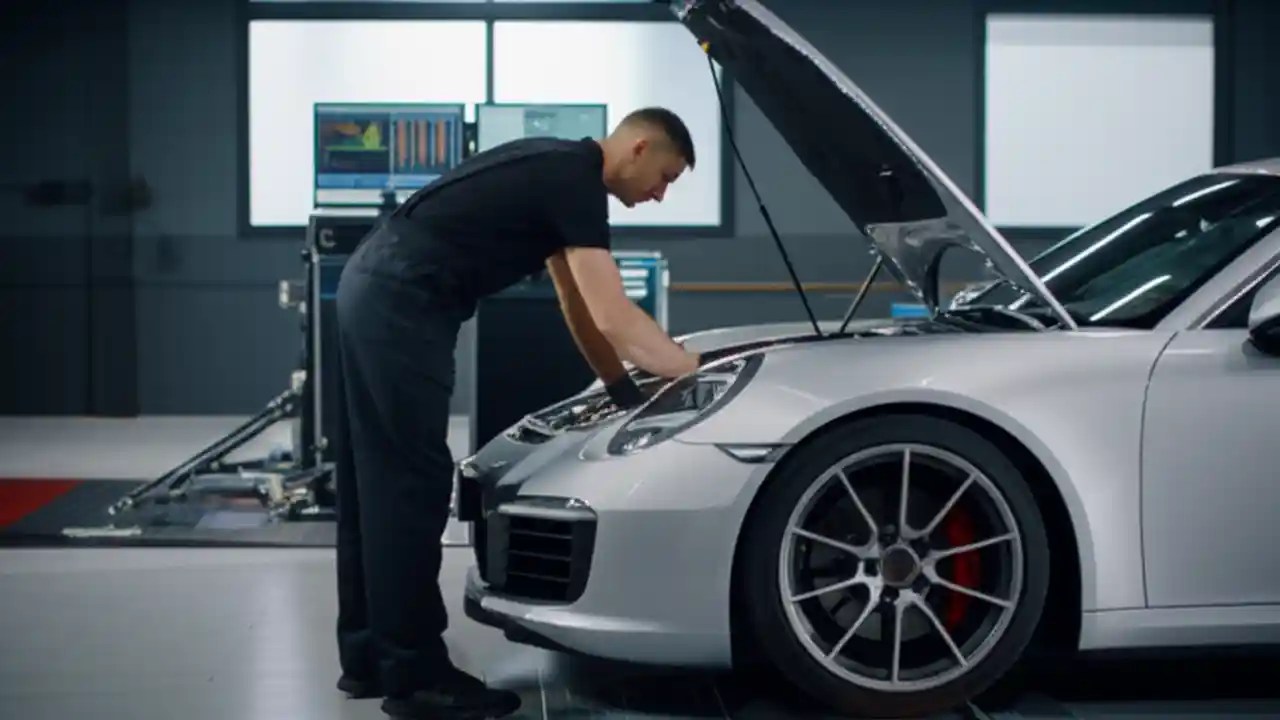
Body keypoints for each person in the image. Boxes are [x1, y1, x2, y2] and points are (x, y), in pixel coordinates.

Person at [331, 107, 702, 719]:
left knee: (372, 482)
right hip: (402, 297)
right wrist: (686, 368)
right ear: (638, 149)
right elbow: (614, 314)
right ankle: (417, 678)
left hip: (371, 282)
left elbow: (578, 307)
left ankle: (369, 657)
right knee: (411, 487)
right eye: (665, 177)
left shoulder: (557, 167)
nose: (659, 195)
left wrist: (620, 387)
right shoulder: (577, 184)